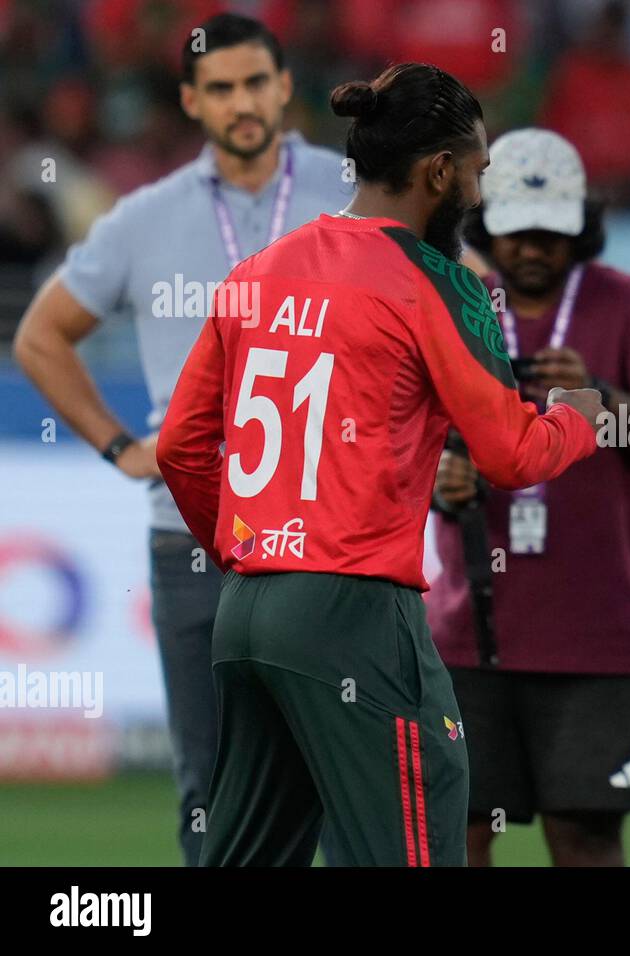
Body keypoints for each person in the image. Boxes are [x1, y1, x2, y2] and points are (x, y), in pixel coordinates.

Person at [156, 64, 602, 866]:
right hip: (354, 616)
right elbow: (511, 452)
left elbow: (179, 448)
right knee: (417, 829)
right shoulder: (442, 285)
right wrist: (580, 419)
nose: (480, 191)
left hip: (248, 609)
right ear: (439, 171)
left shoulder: (259, 270)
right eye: (478, 170)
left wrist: (246, 553)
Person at [12, 12, 354, 866]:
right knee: (212, 790)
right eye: (222, 88)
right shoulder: (143, 219)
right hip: (197, 536)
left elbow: (456, 299)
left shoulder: (354, 191)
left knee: (353, 786)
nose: (243, 103)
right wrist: (119, 445)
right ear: (191, 101)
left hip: (335, 538)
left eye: (256, 83)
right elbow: (40, 336)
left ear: (284, 88)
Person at [428, 128, 630, 867]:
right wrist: (437, 481)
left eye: (549, 233)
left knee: (585, 837)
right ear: (485, 222)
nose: (530, 248)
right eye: (516, 231)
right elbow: (403, 432)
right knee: (454, 831)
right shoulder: (457, 303)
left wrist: (602, 402)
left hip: (608, 635)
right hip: (474, 627)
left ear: (579, 227)